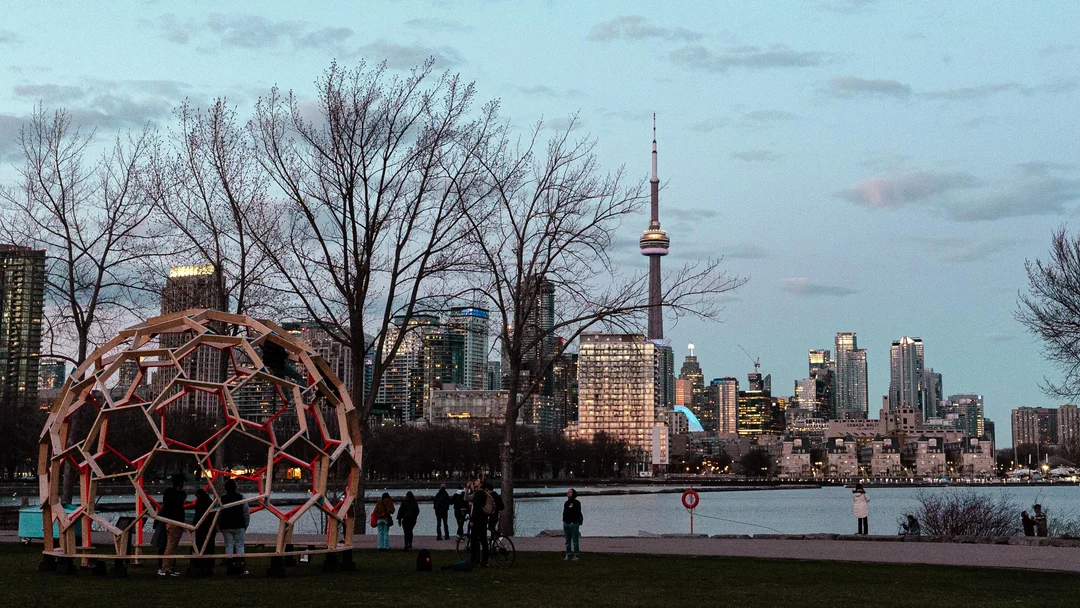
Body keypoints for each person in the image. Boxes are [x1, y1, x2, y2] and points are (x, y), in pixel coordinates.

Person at [219, 479, 250, 575]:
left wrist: (220, 526)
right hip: (239, 525)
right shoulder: (241, 498)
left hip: (226, 526)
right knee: (240, 545)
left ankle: (230, 567)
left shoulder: (222, 499)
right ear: (235, 488)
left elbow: (219, 514)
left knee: (229, 545)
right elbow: (246, 513)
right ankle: (240, 567)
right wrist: (245, 525)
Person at [159, 473, 187, 576]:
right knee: (171, 545)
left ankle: (168, 567)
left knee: (171, 545)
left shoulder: (168, 494)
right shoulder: (177, 495)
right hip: (175, 522)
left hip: (171, 521)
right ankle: (166, 567)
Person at [192, 487, 215, 572]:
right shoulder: (209, 502)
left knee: (200, 544)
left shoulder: (199, 503)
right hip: (209, 526)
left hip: (200, 526)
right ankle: (209, 564)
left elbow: (197, 515)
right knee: (209, 545)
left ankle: (200, 563)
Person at [470, 481, 492, 566]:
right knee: (483, 540)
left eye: (477, 482)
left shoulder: (479, 494)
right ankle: (484, 560)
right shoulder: (484, 494)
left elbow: (476, 508)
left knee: (474, 540)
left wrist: (472, 520)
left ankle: (474, 559)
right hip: (483, 520)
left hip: (477, 521)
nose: (475, 482)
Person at [562, 488, 583, 560]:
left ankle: (576, 555)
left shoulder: (577, 503)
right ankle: (567, 554)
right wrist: (564, 520)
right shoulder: (566, 503)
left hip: (573, 524)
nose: (568, 493)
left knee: (575, 541)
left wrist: (575, 521)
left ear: (573, 494)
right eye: (568, 492)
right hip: (566, 523)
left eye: (570, 492)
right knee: (567, 541)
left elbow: (578, 513)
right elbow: (565, 512)